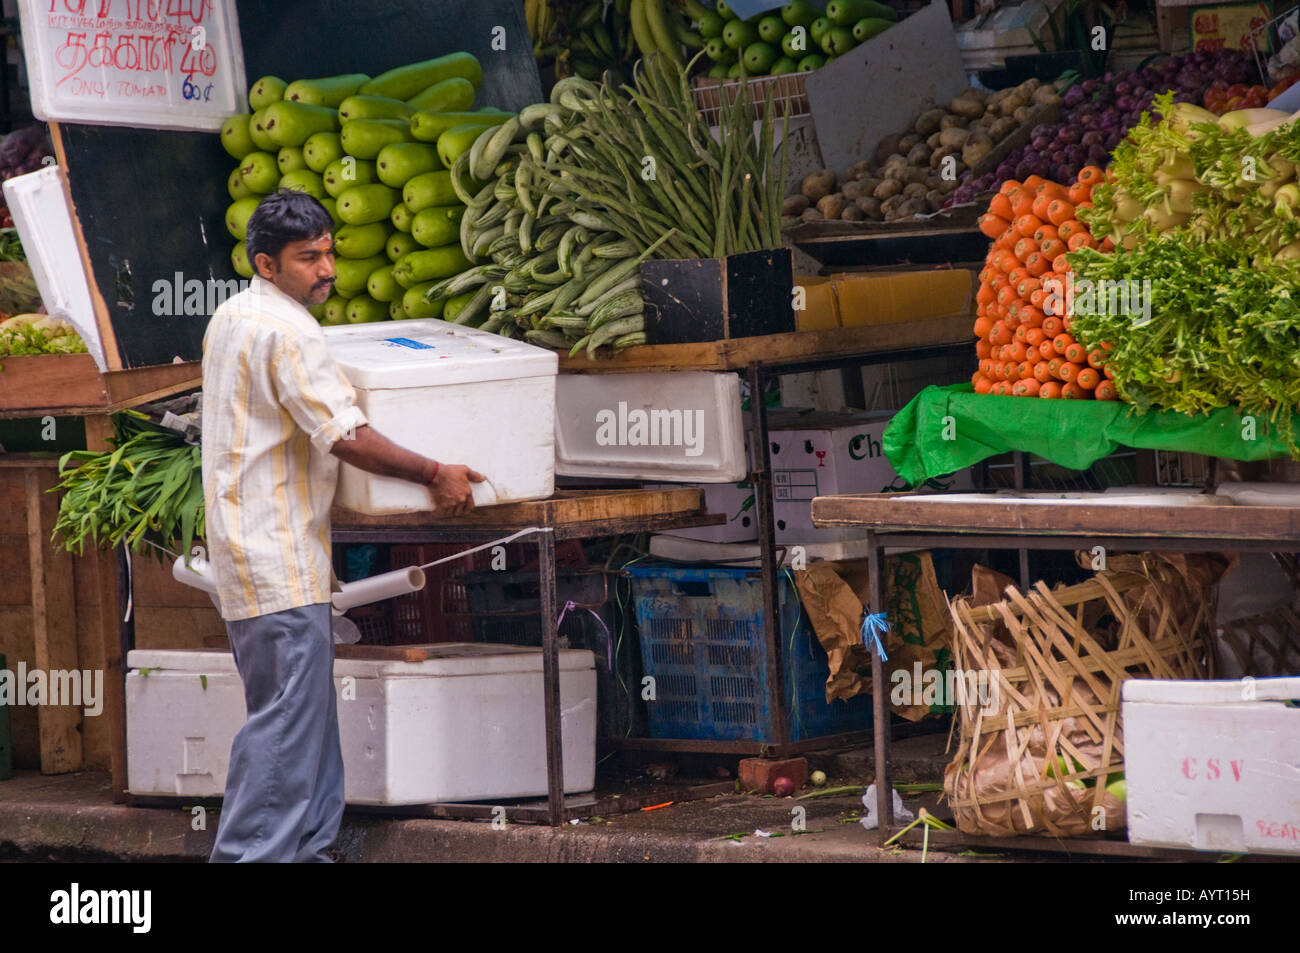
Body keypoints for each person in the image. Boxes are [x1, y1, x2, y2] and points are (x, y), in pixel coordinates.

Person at [201, 189, 485, 862]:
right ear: (267, 263)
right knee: (285, 728)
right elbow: (345, 435)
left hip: (261, 553)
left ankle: (310, 853)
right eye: (308, 258)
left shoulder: (236, 313)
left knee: (307, 726)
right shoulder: (289, 331)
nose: (326, 269)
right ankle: (250, 857)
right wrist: (433, 471)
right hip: (275, 558)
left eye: (329, 252)